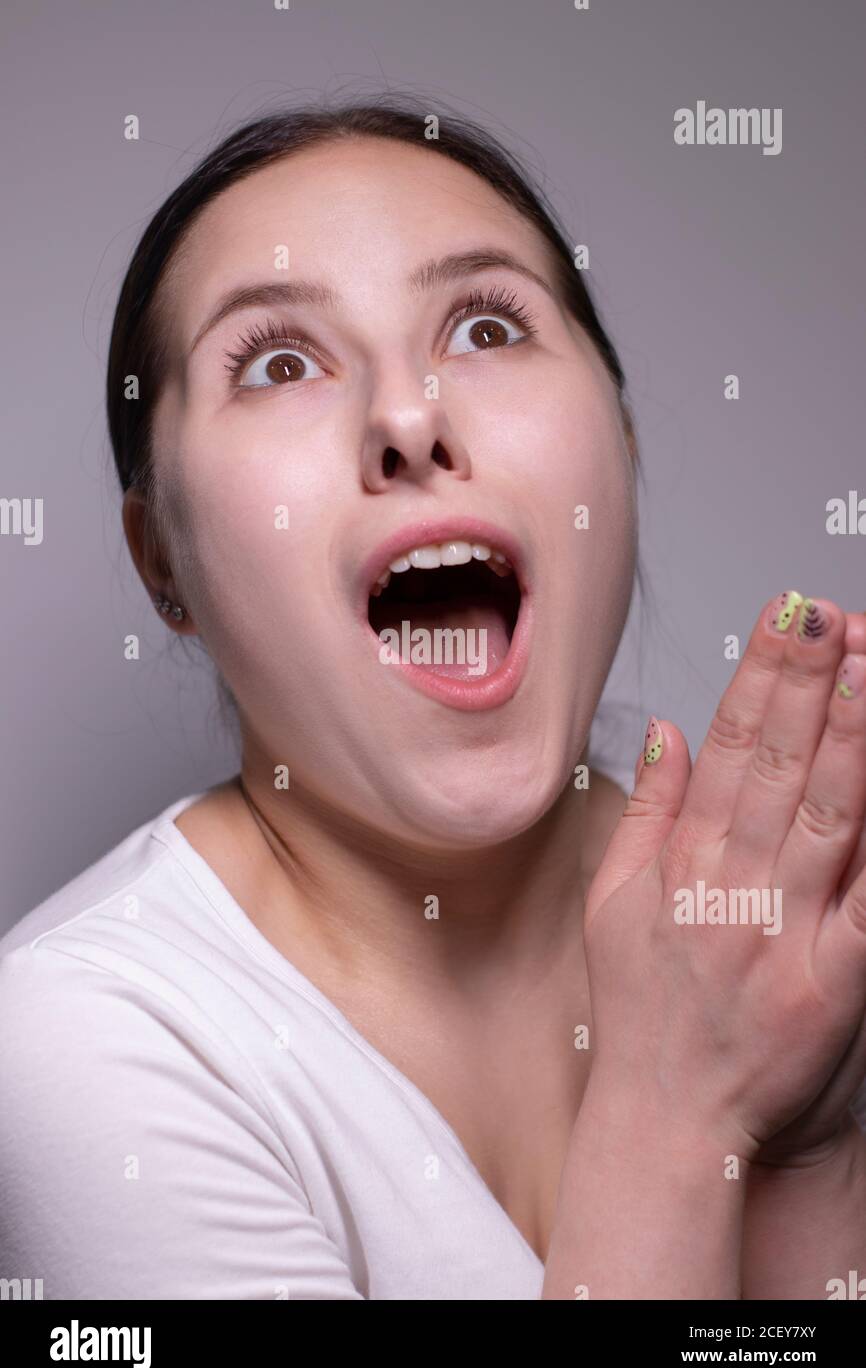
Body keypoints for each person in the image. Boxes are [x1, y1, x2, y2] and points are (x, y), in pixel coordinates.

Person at [2, 96, 865, 1301]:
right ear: (166, 565)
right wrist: (683, 1108)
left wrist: (812, 1135)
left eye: (485, 327)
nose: (408, 417)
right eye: (279, 362)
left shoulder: (788, 936)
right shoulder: (79, 1037)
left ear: (618, 447)